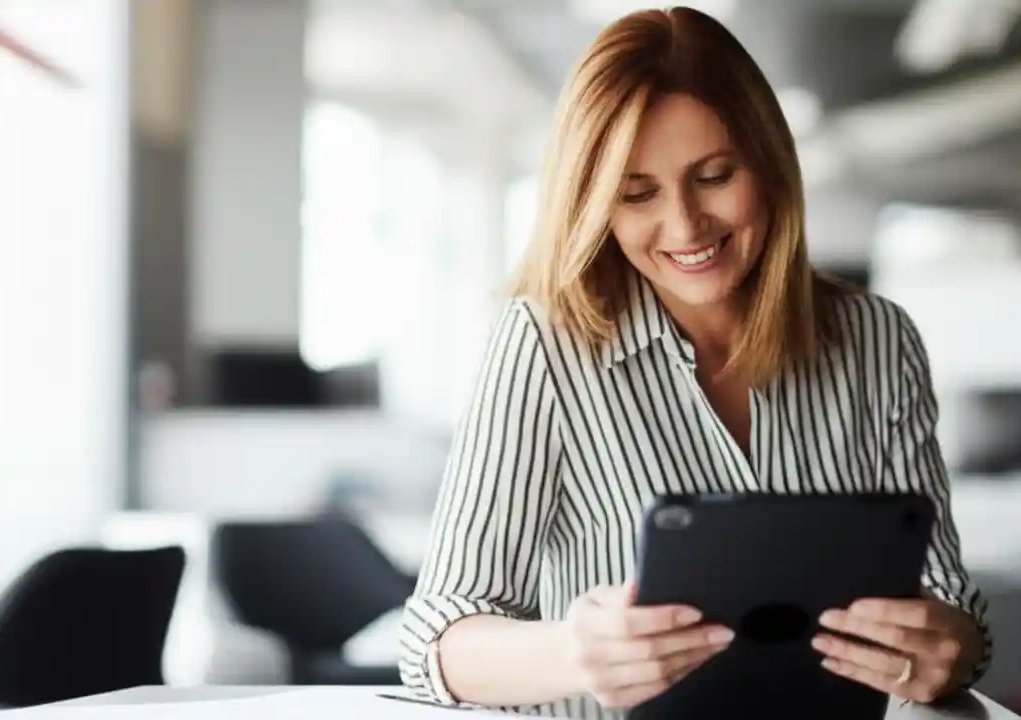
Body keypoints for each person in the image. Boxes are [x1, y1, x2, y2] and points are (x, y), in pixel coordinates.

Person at [398, 7, 991, 718]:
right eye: (637, 193)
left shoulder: (879, 342)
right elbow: (436, 638)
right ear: (593, 205)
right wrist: (572, 652)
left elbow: (947, 602)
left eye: (713, 176)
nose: (685, 227)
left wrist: (950, 648)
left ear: (768, 166)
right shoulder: (545, 344)